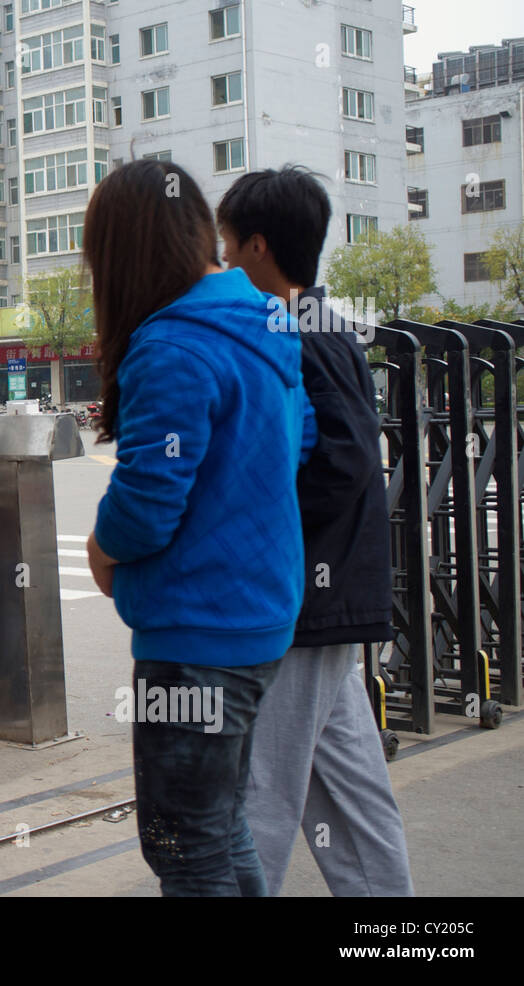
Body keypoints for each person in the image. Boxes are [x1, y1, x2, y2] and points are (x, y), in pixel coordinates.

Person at [81, 160, 316, 896]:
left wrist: (102, 549)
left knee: (183, 848)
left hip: (195, 635)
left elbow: (148, 501)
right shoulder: (265, 321)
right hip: (260, 618)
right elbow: (301, 438)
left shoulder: (172, 344)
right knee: (220, 830)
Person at [216, 166, 413, 896]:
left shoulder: (300, 330)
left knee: (258, 792)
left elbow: (347, 457)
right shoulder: (314, 323)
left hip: (301, 601)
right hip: (326, 601)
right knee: (349, 792)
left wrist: (261, 531)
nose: (224, 260)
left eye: (229, 244)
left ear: (259, 247)